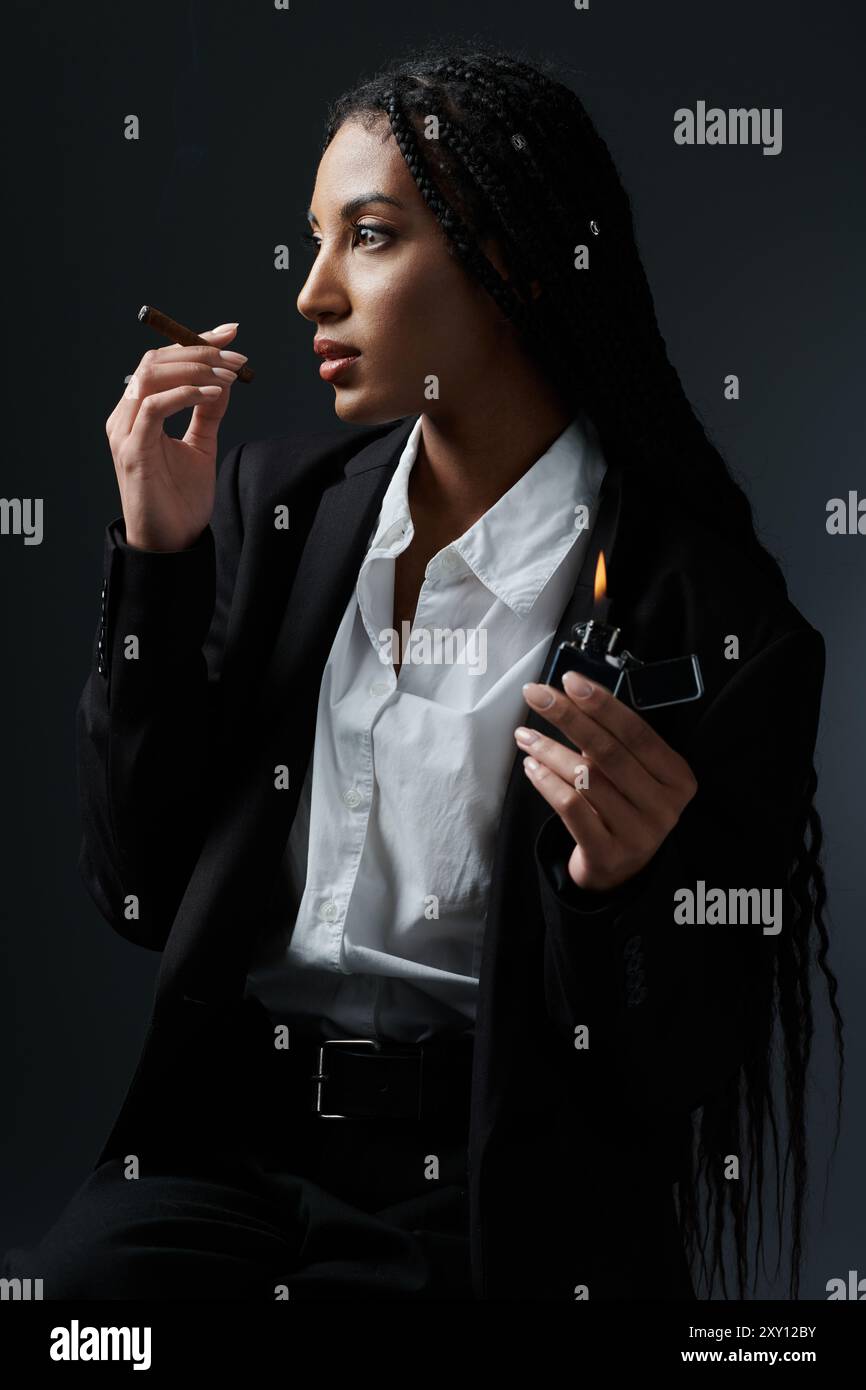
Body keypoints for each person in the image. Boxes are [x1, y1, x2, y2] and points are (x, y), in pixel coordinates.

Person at [2, 40, 843, 1302]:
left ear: (506, 261)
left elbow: (684, 1062)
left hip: (488, 1192)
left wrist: (621, 890)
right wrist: (155, 559)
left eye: (370, 237)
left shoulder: (710, 616)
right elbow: (137, 890)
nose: (311, 293)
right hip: (217, 1154)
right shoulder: (274, 508)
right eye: (315, 238)